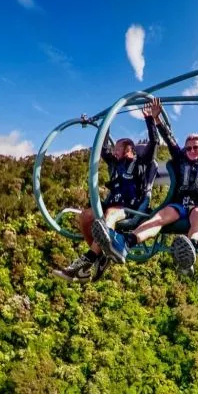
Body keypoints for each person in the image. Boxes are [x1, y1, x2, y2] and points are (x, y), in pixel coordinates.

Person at [93, 98, 198, 275]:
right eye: (188, 148)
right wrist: (156, 119)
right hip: (180, 204)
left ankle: (191, 248)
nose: (191, 151)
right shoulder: (180, 159)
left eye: (196, 148)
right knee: (159, 217)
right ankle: (126, 242)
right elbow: (169, 140)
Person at [53, 99, 160, 283]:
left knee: (109, 214)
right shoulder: (114, 164)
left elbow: (154, 143)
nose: (115, 152)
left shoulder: (141, 163)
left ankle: (85, 263)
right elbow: (102, 148)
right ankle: (99, 257)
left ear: (130, 150)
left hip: (130, 208)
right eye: (115, 149)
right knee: (86, 215)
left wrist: (151, 120)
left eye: (119, 149)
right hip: (111, 204)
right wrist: (106, 124)